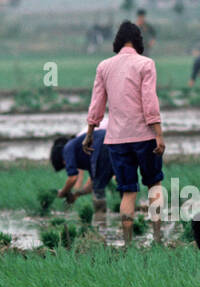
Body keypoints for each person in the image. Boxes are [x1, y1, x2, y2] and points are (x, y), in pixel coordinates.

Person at [83, 21, 165, 245]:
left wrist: (90, 132)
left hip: (117, 139)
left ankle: (128, 245)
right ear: (139, 41)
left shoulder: (104, 67)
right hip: (145, 136)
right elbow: (149, 101)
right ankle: (157, 238)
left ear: (117, 41)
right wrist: (158, 132)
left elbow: (97, 103)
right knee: (154, 184)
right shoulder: (146, 64)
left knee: (128, 191)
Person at [51, 128, 112, 215]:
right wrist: (76, 194)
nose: (67, 165)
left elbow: (73, 178)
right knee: (123, 187)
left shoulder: (67, 148)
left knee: (99, 192)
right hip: (114, 141)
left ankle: (101, 220)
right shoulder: (89, 160)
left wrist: (63, 192)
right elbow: (93, 185)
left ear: (62, 161)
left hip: (103, 143)